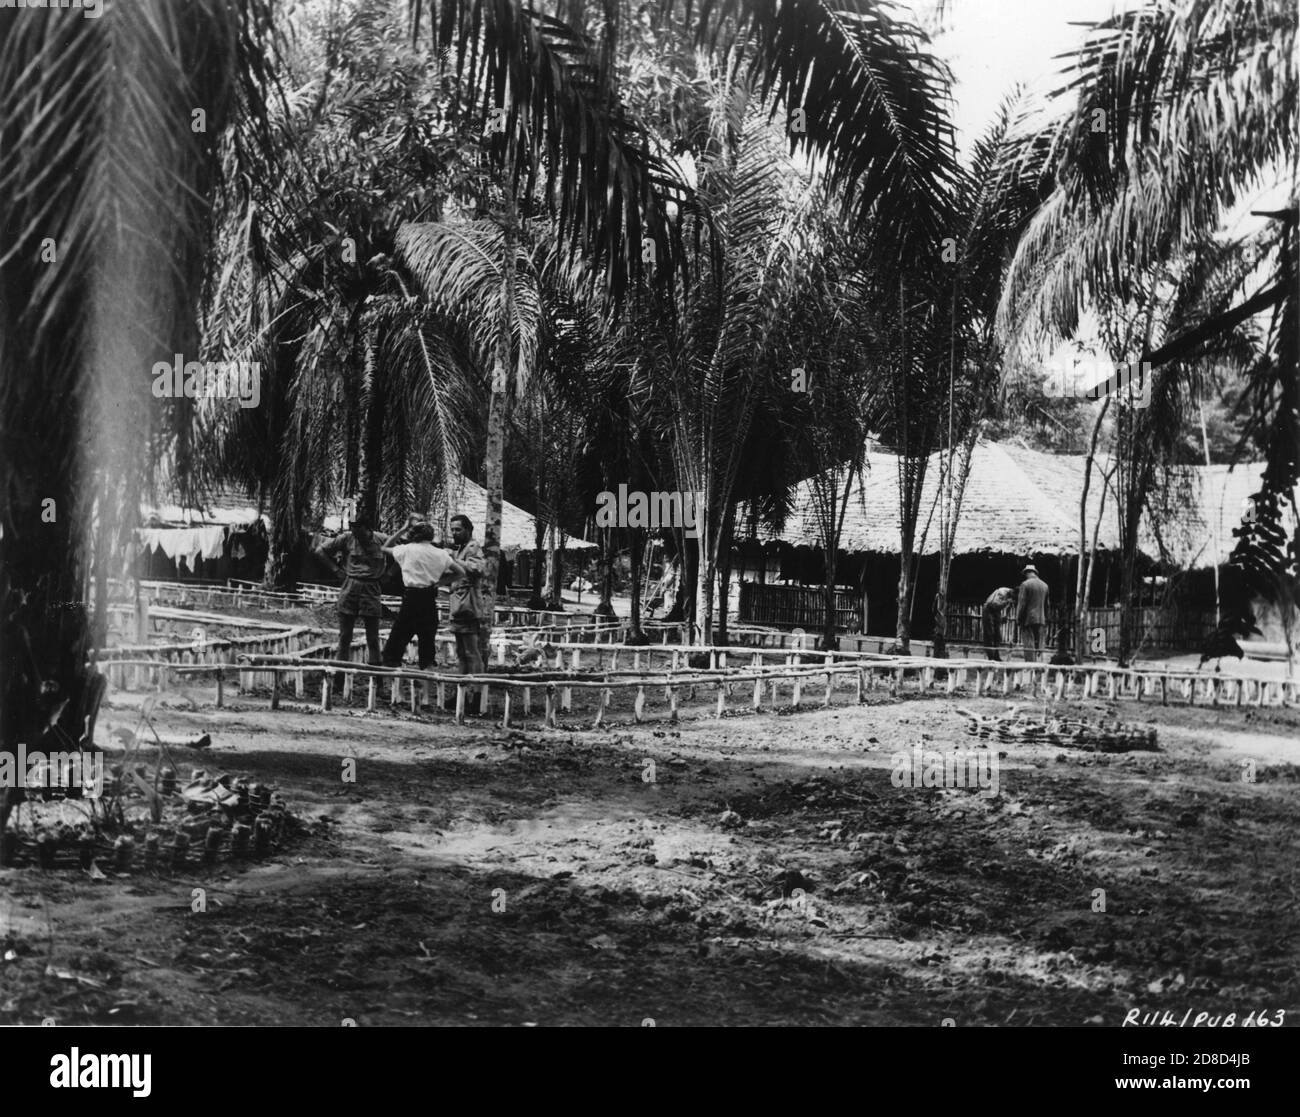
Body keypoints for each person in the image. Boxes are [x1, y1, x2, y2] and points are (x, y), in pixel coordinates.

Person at [380, 516, 464, 671]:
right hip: (429, 598)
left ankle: (393, 678)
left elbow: (384, 547)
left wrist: (403, 528)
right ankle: (425, 680)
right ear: (431, 536)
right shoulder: (441, 554)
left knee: (396, 641)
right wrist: (439, 582)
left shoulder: (406, 550)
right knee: (427, 642)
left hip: (411, 598)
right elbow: (460, 573)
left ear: (413, 534)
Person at [316, 516, 389, 669]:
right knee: (344, 636)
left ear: (368, 529)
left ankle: (377, 680)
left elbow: (403, 556)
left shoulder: (383, 540)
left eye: (360, 532)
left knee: (373, 638)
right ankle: (339, 677)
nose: (357, 536)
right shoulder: (347, 538)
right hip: (350, 586)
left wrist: (389, 575)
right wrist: (336, 570)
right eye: (354, 531)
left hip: (372, 589)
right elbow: (320, 550)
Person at [446, 513, 491, 710]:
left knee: (472, 652)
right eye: (453, 529)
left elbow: (479, 568)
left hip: (469, 604)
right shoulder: (460, 549)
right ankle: (461, 693)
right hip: (458, 604)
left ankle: (477, 696)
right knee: (462, 653)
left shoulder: (473, 547)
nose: (455, 533)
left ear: (468, 530)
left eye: (458, 529)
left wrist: (455, 561)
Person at [1016, 563, 1050, 662]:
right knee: (1040, 645)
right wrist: (1045, 618)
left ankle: (1030, 667)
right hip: (1041, 619)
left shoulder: (1025, 584)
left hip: (1029, 619)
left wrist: (1018, 618)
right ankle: (1040, 666)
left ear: (1027, 573)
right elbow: (1047, 605)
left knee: (1029, 644)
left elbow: (1022, 603)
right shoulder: (1045, 586)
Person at [981, 586, 1015, 661]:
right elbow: (994, 605)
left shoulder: (1012, 596)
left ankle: (996, 655)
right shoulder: (1002, 592)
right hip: (989, 608)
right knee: (990, 634)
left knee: (997, 635)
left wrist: (1006, 615)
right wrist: (1006, 602)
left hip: (996, 611)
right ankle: (991, 656)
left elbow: (1009, 606)